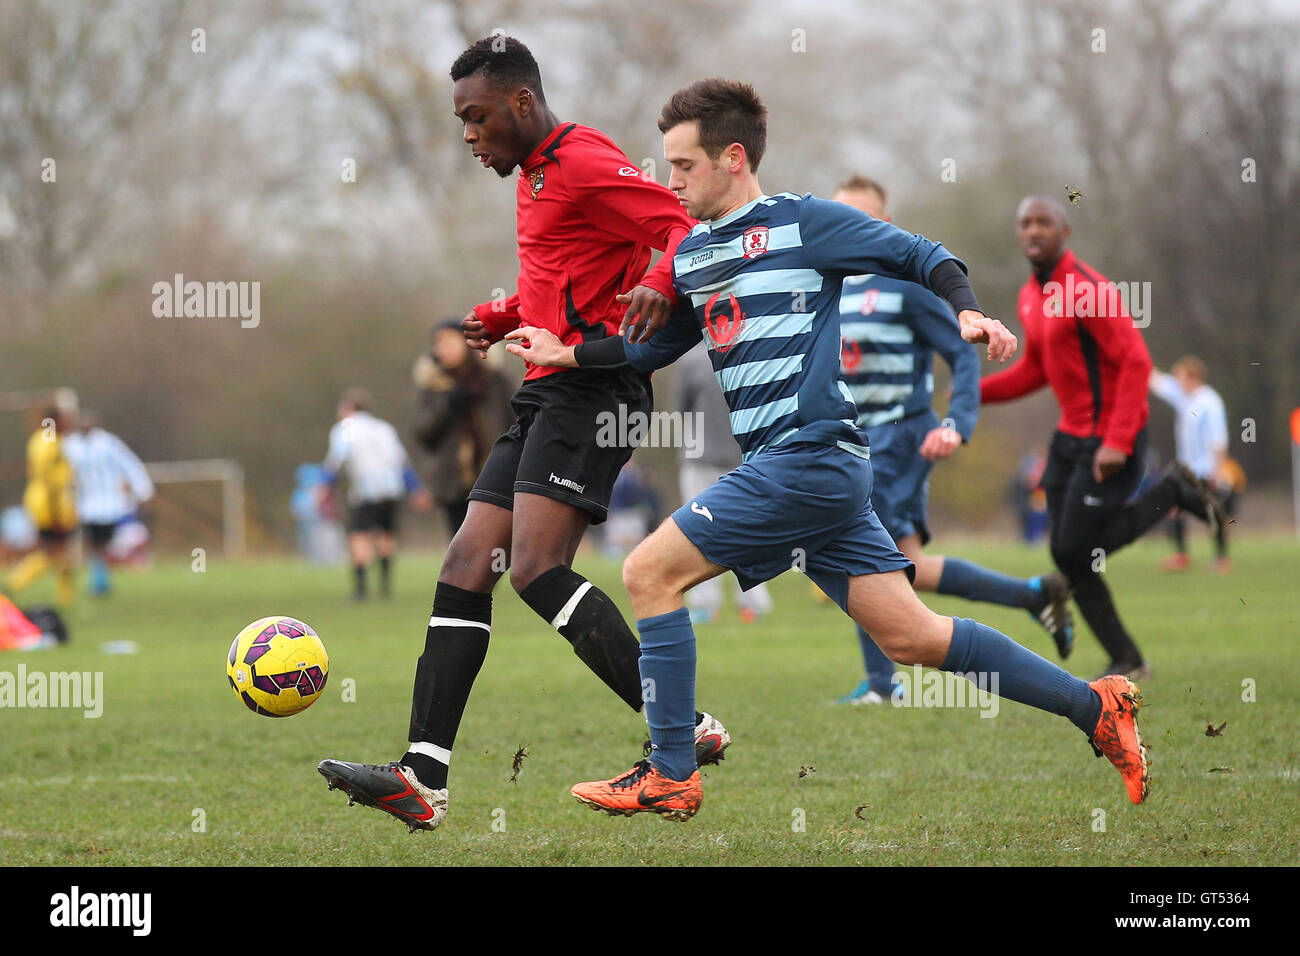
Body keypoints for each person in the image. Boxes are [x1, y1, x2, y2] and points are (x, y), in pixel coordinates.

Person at [507, 78, 1152, 819]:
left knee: (648, 572)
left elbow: (922, 254)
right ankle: (1094, 707)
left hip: (808, 458)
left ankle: (672, 770)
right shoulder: (691, 258)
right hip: (813, 473)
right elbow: (646, 353)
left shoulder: (805, 223)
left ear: (733, 158)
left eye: (683, 167)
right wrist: (568, 354)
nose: (670, 182)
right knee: (913, 637)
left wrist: (969, 314)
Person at [318, 37, 731, 832]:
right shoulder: (535, 172)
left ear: (521, 103)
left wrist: (652, 281)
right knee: (468, 562)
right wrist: (506, 314)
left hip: (593, 388)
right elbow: (572, 269)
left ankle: (685, 730)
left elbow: (677, 225)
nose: (469, 135)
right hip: (545, 390)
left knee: (536, 569)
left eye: (476, 119)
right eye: (460, 121)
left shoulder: (581, 159)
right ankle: (423, 777)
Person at [831, 175, 1072, 706]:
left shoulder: (904, 287)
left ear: (883, 225)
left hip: (900, 436)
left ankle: (881, 684)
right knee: (908, 566)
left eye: (860, 217)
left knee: (863, 553)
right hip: (858, 439)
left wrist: (956, 423)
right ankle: (1033, 594)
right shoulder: (834, 286)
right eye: (839, 214)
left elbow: (962, 352)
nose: (847, 227)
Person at [980, 196, 1226, 680]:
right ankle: (1127, 658)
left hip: (1113, 437)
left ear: (1064, 230)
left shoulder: (1088, 289)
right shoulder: (1031, 294)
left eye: (1043, 222)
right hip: (1069, 438)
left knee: (1071, 551)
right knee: (1067, 553)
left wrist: (1116, 439)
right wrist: (975, 394)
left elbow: (1136, 361)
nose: (1033, 231)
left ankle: (1172, 491)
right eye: (1025, 223)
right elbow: (1037, 368)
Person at [675, 341, 772, 624]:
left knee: (699, 533)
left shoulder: (692, 359)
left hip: (714, 457)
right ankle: (750, 602)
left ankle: (713, 604)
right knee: (746, 530)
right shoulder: (752, 353)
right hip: (734, 457)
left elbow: (679, 410)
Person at [320, 388, 431, 600]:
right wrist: (415, 490)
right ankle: (385, 588)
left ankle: (361, 590)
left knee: (359, 536)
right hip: (391, 490)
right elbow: (401, 463)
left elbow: (335, 461)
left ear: (349, 408)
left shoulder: (345, 429)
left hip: (365, 492)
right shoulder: (384, 429)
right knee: (385, 535)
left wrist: (325, 487)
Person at [411, 318, 515, 537]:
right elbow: (422, 432)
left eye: (449, 341)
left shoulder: (495, 381)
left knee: (494, 543)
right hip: (452, 482)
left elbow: (515, 422)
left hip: (495, 475)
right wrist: (448, 406)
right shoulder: (433, 386)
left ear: (468, 342)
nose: (442, 348)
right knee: (460, 544)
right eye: (438, 343)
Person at [1148, 357, 1234, 572]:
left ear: (1192, 377)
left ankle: (1222, 559)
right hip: (1187, 470)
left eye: (1180, 377)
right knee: (1174, 508)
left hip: (1206, 470)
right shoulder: (1185, 399)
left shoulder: (1210, 402)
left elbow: (1218, 439)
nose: (1177, 381)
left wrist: (1219, 469)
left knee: (1212, 513)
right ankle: (1181, 555)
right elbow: (1158, 383)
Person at [62, 410, 155, 596]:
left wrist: (143, 490)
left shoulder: (107, 443)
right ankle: (98, 580)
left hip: (109, 504)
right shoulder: (70, 445)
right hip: (85, 505)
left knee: (103, 543)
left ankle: (101, 580)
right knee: (91, 543)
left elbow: (129, 464)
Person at [5, 408, 76, 608]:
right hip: (49, 505)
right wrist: (56, 513)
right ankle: (14, 582)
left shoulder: (41, 439)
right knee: (54, 551)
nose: (68, 423)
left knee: (61, 552)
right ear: (54, 421)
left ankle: (66, 597)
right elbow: (50, 480)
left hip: (42, 501)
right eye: (65, 419)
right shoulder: (50, 442)